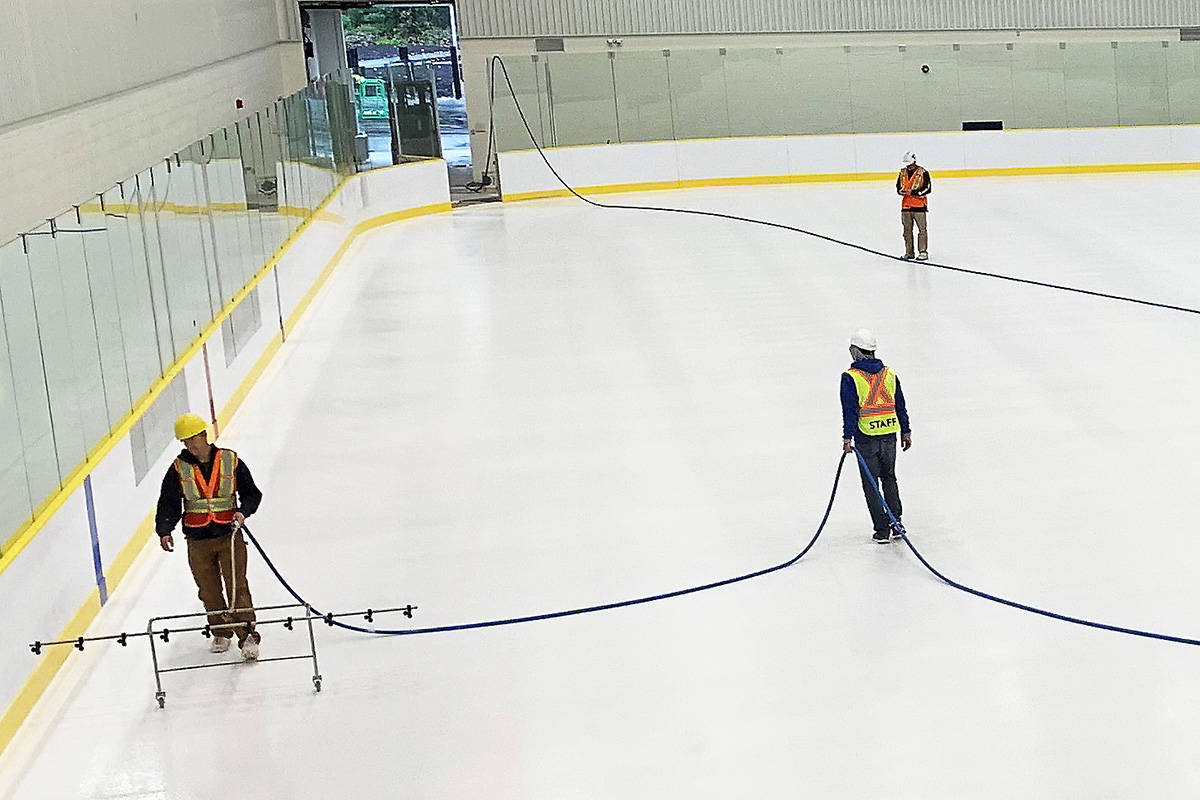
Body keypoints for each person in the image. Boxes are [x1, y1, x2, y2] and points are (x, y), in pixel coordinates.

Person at [157, 413, 264, 659]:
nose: (190, 446)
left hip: (229, 535)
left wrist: (242, 511)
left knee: (237, 585)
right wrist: (164, 529)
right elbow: (169, 502)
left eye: (193, 440)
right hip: (197, 540)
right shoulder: (178, 468)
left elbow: (251, 493)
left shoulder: (230, 460)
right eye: (185, 442)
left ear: (204, 436)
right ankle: (221, 630)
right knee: (208, 589)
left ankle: (247, 634)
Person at [840, 330, 912, 544]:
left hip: (867, 438)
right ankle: (896, 522)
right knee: (889, 477)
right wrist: (905, 430)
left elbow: (850, 410)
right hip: (889, 434)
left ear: (855, 352)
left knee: (871, 484)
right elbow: (900, 404)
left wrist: (847, 437)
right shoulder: (889, 374)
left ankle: (882, 530)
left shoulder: (850, 378)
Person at [896, 151, 932, 261]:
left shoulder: (923, 172)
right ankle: (909, 252)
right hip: (906, 206)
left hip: (919, 206)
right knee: (907, 231)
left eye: (910, 163)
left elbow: (927, 188)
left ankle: (923, 251)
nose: (908, 165)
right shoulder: (902, 173)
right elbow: (898, 186)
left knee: (922, 230)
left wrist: (913, 193)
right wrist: (901, 191)